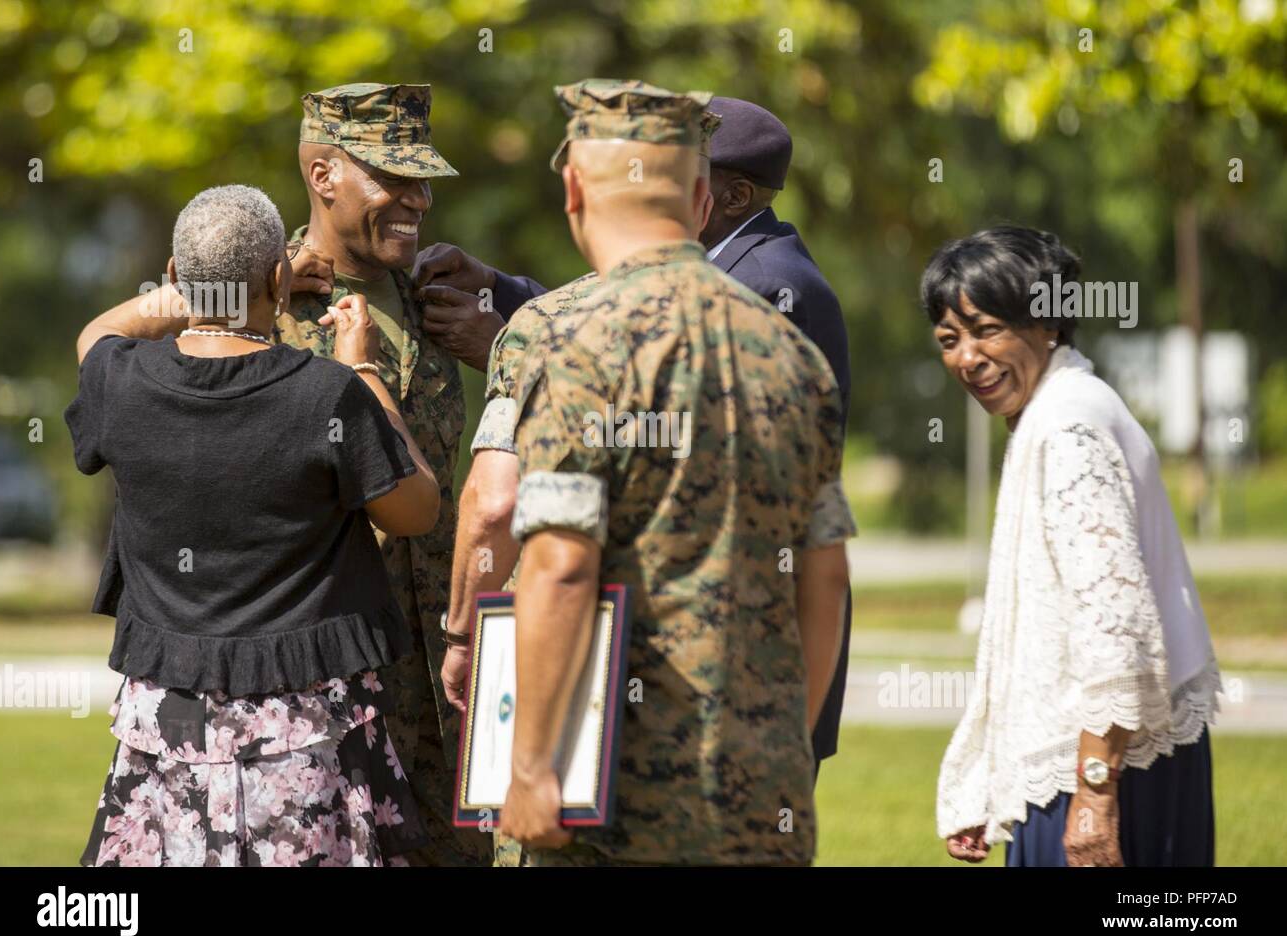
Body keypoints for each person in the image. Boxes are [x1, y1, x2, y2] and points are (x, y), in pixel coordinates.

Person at [497, 79, 857, 866]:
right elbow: (825, 574)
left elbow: (560, 567)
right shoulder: (790, 351)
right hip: (764, 798)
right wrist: (783, 750)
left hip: (619, 797)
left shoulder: (582, 344)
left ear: (572, 188)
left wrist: (527, 768)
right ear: (699, 196)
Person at [65, 185, 439, 866]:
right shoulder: (327, 393)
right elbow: (417, 509)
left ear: (175, 278)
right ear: (278, 279)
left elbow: (97, 334)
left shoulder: (121, 384)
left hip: (167, 736)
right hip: (305, 742)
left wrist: (211, 290)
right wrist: (362, 367)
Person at [273, 83, 542, 865]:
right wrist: (249, 285)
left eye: (423, 181)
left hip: (450, 666)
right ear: (324, 177)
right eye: (393, 179)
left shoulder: (440, 297)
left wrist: (498, 345)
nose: (418, 201)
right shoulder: (269, 305)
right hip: (336, 670)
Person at [925, 226, 1221, 867]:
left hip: (1105, 772)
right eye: (951, 339)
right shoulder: (1067, 407)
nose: (968, 358)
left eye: (988, 329)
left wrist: (1094, 796)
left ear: (1049, 324)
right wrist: (992, 781)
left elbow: (1115, 630)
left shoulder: (1067, 429)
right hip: (1098, 765)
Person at [697, 95, 853, 768]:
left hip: (753, 645)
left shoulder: (766, 285)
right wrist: (499, 291)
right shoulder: (732, 268)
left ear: (731, 195)